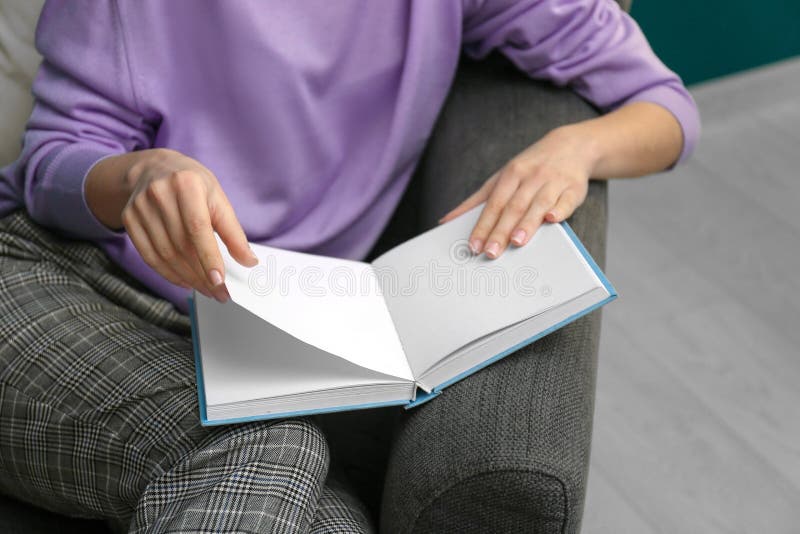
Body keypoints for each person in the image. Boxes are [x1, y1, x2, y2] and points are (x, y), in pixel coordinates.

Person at [0, 1, 700, 532]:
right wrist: (138, 178)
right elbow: (51, 164)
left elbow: (664, 108)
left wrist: (573, 150)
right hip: (58, 282)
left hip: (264, 357)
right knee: (269, 448)